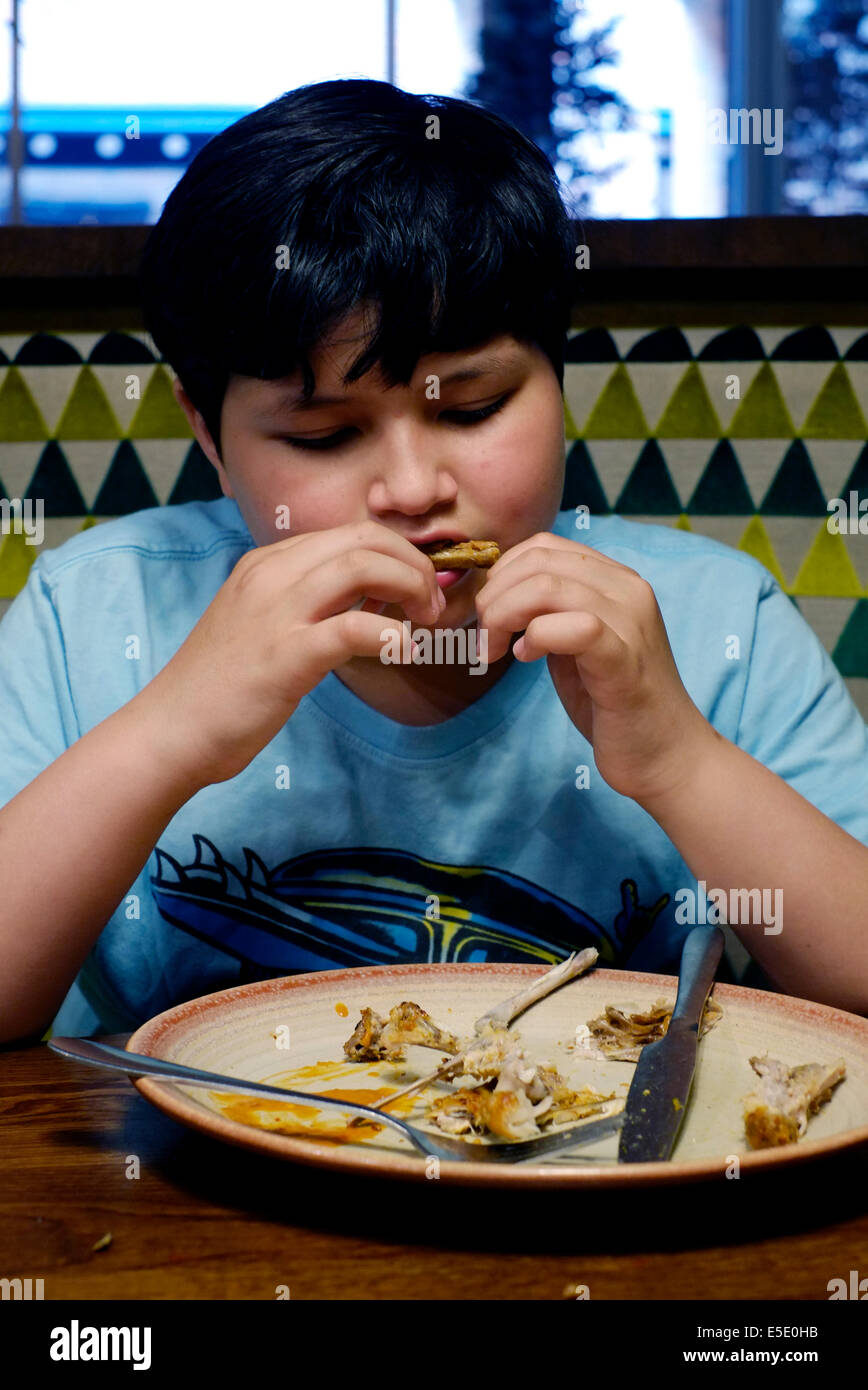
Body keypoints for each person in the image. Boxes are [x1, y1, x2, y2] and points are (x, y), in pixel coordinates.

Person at [1, 79, 866, 1047]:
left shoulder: (713, 619)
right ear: (209, 435)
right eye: (324, 436)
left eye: (470, 410)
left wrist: (676, 757)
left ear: (558, 381)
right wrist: (167, 733)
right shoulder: (94, 611)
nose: (412, 489)